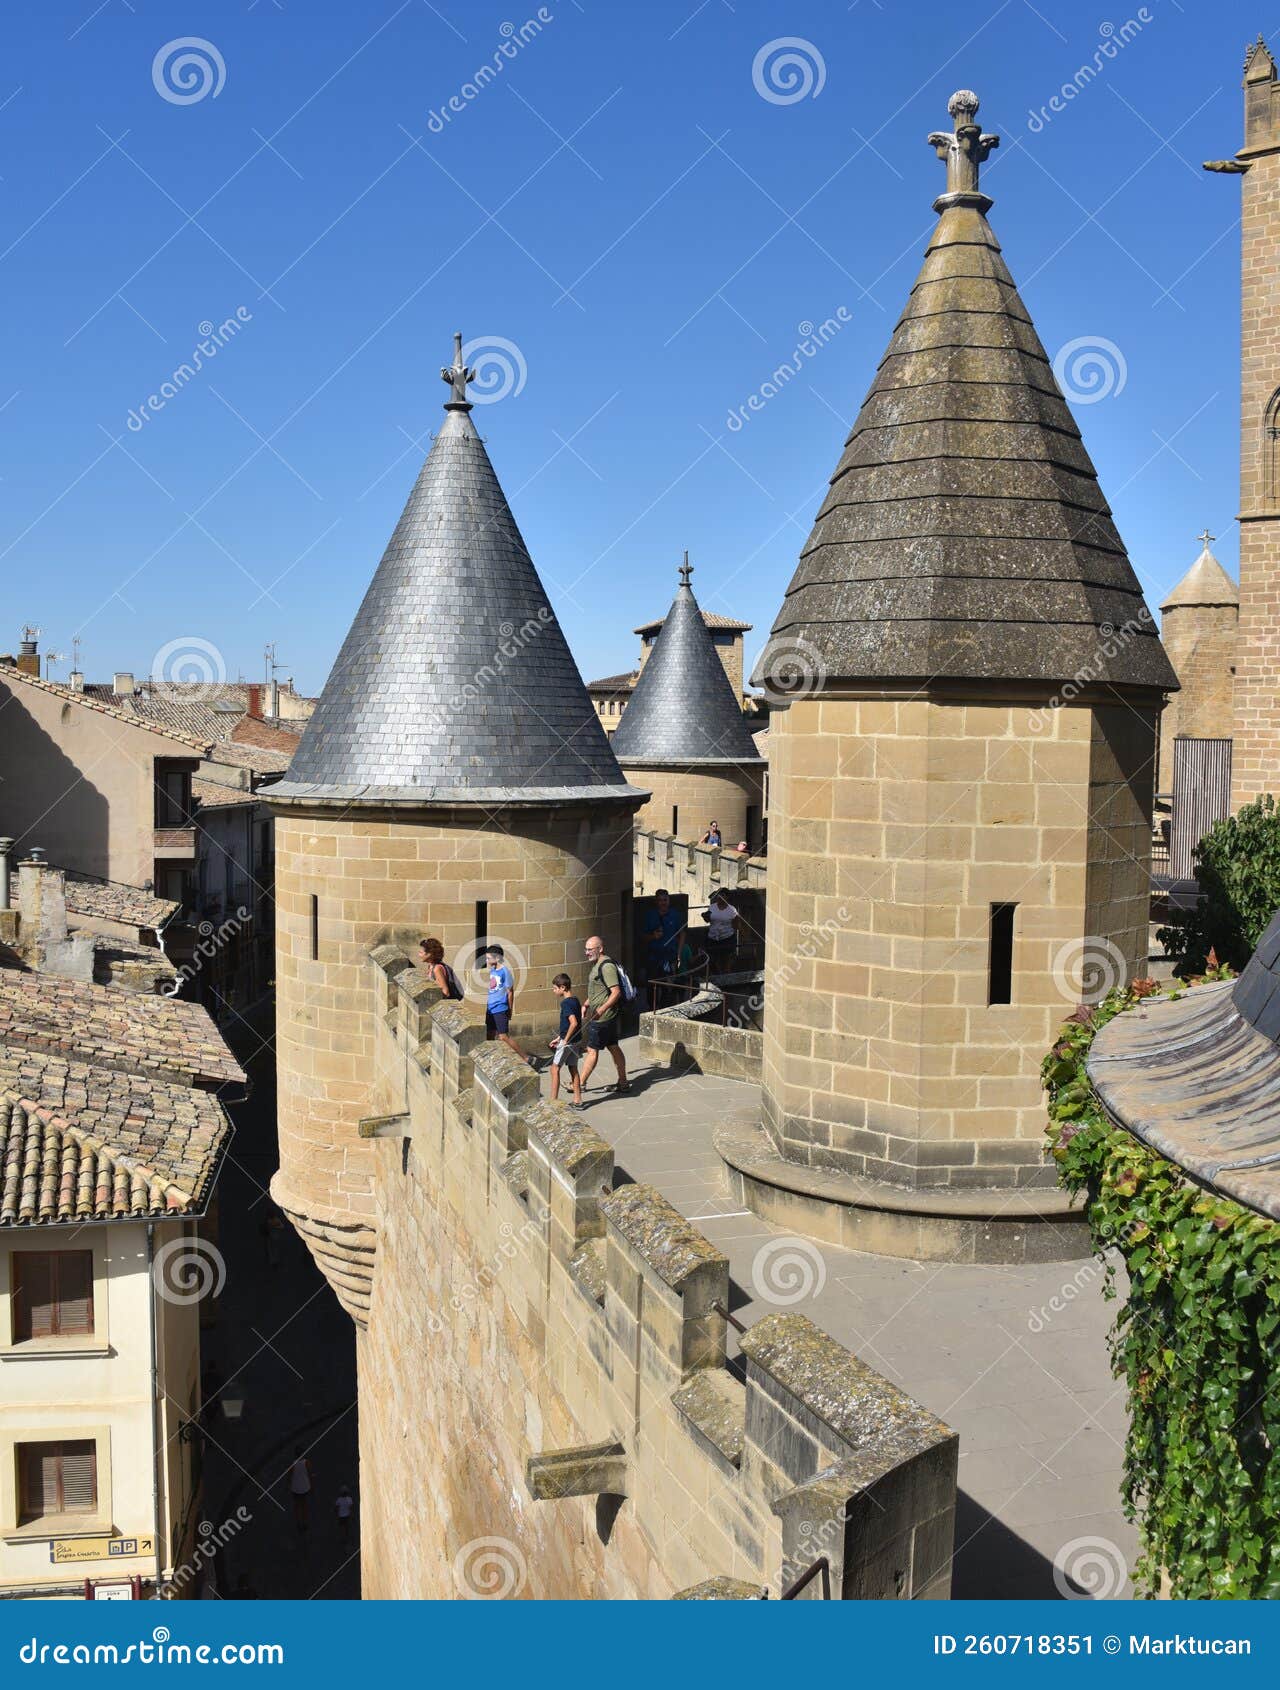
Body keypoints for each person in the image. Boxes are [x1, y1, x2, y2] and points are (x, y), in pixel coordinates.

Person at [579, 935, 630, 1096]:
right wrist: (587, 1003)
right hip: (605, 1015)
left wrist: (601, 1009)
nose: (586, 952)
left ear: (600, 949)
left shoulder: (606, 967)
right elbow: (599, 990)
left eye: (590, 949)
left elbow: (616, 993)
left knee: (592, 1049)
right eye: (586, 949)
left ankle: (579, 1084)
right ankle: (623, 1083)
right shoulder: (597, 964)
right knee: (613, 1047)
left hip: (603, 1017)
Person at [484, 945, 531, 1063]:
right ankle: (491, 1058)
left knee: (503, 1036)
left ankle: (525, 1057)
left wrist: (509, 1010)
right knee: (489, 1034)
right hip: (491, 1007)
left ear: (497, 958)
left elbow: (510, 992)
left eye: (489, 958)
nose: (487, 961)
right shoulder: (493, 970)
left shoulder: (505, 971)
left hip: (500, 1008)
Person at [547, 973, 583, 1106]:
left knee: (554, 1068)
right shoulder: (575, 1000)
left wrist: (565, 1040)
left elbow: (573, 1023)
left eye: (555, 988)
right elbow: (572, 1024)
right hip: (576, 1040)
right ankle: (577, 1099)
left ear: (563, 987)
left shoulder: (566, 1003)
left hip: (568, 1042)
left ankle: (553, 1102)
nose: (554, 991)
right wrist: (559, 1038)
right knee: (573, 1068)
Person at [642, 889, 684, 982]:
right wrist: (653, 936)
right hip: (653, 957)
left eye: (665, 900)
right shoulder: (650, 915)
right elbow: (643, 936)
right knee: (652, 985)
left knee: (669, 987)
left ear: (669, 901)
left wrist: (679, 954)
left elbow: (682, 934)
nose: (663, 903)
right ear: (656, 901)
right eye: (660, 900)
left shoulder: (675, 915)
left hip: (670, 956)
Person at [704, 890, 740, 971]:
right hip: (713, 937)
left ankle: (726, 975)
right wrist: (704, 916)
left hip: (726, 938)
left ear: (727, 897)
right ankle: (716, 973)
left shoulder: (732, 910)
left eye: (722, 895)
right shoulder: (712, 907)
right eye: (718, 895)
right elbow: (708, 920)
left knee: (726, 959)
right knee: (713, 959)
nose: (719, 897)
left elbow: (736, 925)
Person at [288, 1447, 313, 1533]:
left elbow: (290, 1476)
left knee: (297, 1506)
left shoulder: (293, 1464)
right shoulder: (306, 1463)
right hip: (305, 1487)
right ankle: (305, 1522)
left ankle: (299, 1523)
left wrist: (289, 1485)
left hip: (295, 1488)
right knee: (304, 1505)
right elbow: (310, 1475)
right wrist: (312, 1485)